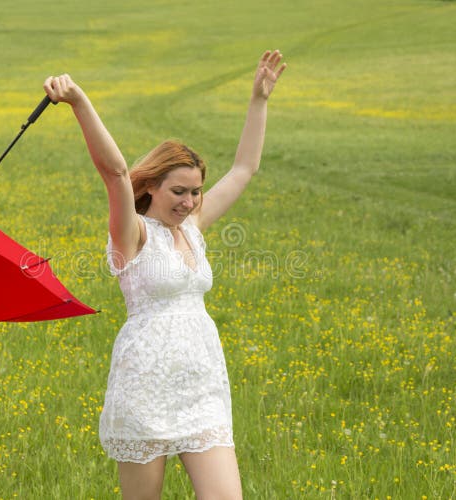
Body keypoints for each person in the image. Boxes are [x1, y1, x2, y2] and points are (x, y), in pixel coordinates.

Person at [43, 50, 286, 500]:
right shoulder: (131, 235)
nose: (190, 201)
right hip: (145, 385)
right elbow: (114, 171)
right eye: (179, 191)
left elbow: (244, 169)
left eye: (195, 191)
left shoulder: (192, 229)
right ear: (151, 186)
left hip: (202, 384)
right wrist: (79, 101)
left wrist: (258, 100)